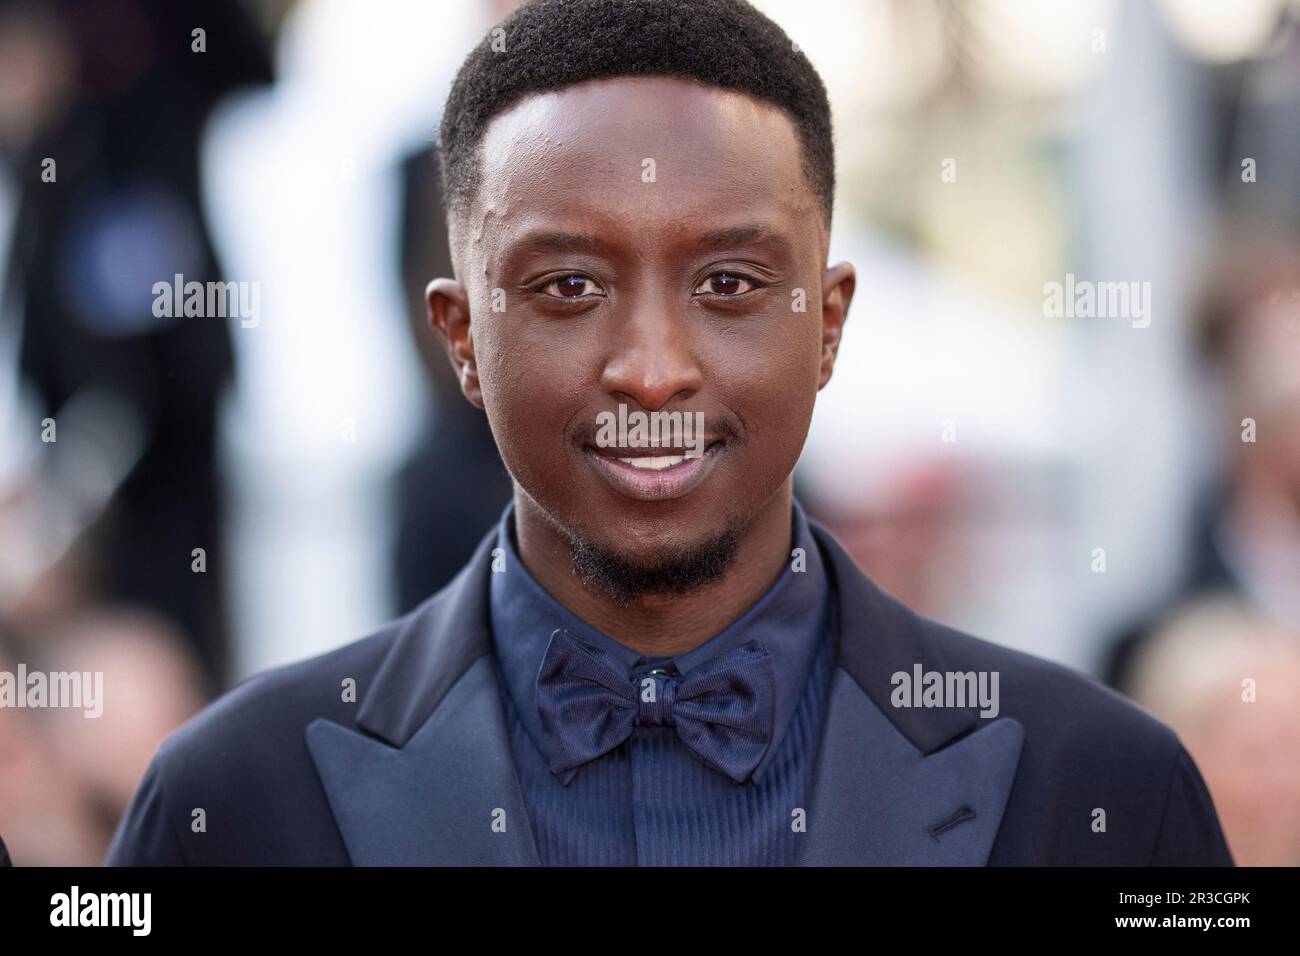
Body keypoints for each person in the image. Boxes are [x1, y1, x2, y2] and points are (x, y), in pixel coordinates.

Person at [106, 0, 1233, 866]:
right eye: (568, 286)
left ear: (828, 323)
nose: (651, 368)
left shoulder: (1098, 790)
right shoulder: (232, 802)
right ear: (459, 338)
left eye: (731, 281)